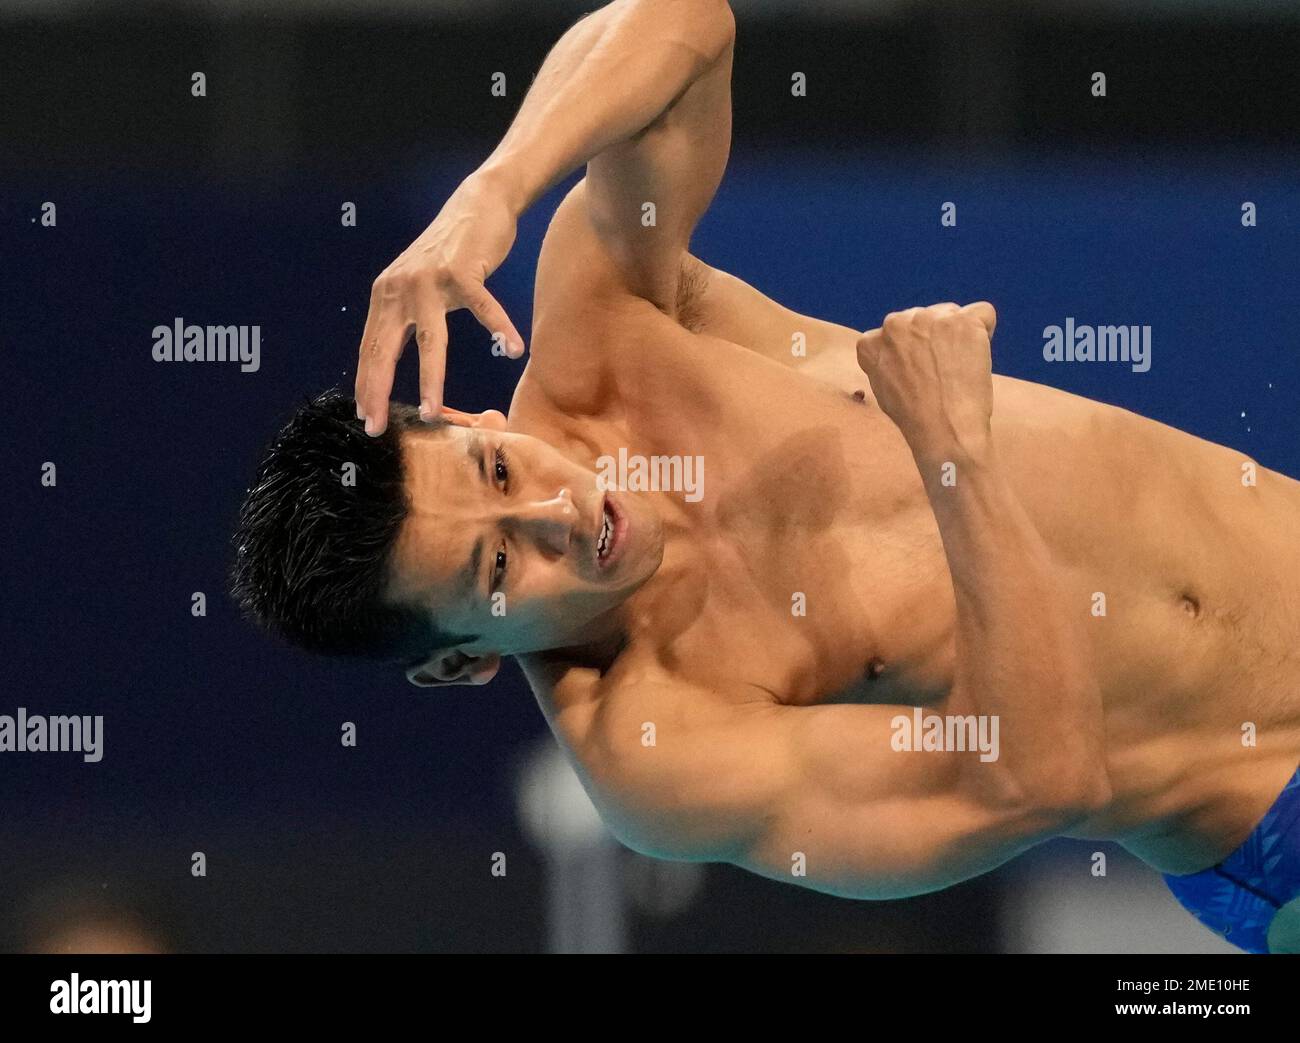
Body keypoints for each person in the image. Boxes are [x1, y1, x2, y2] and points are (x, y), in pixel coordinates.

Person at [231, 0, 1300, 951]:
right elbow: (1040, 777)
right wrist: (952, 457)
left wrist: (497, 186)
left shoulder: (603, 333)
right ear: (459, 661)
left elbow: (689, 25)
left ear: (468, 414)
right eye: (498, 562)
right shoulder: (663, 749)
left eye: (499, 464)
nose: (560, 509)